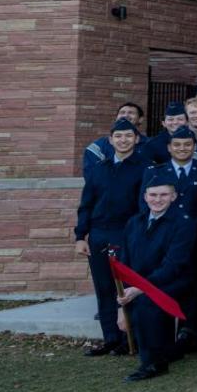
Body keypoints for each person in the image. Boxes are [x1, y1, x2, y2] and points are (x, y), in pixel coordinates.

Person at [77, 120, 149, 357]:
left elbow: (144, 207)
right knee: (104, 286)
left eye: (128, 136)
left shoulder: (144, 168)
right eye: (118, 136)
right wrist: (80, 236)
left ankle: (130, 338)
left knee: (127, 286)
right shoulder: (99, 168)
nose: (123, 140)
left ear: (136, 139)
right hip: (98, 234)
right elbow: (86, 204)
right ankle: (110, 338)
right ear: (110, 140)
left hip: (126, 234)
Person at [116, 174, 197, 381]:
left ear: (173, 196)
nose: (158, 199)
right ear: (145, 197)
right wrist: (122, 299)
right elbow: (124, 263)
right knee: (141, 299)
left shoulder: (184, 223)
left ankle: (153, 363)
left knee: (147, 302)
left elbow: (172, 266)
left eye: (164, 195)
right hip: (142, 284)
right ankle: (166, 351)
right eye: (153, 195)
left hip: (174, 281)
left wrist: (140, 289)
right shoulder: (134, 222)